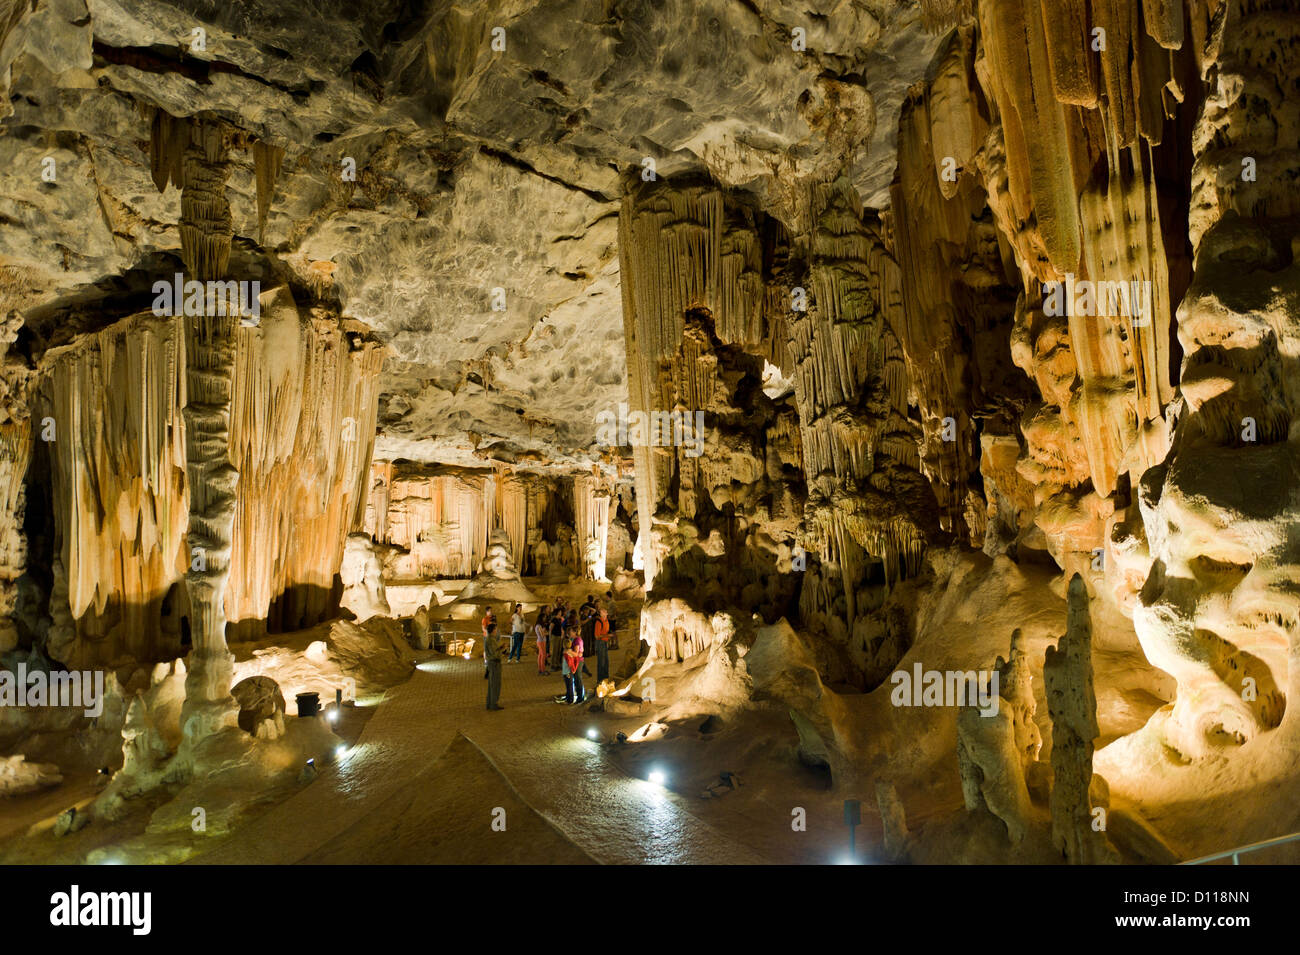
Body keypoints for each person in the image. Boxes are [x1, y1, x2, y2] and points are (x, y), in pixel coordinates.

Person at [484, 622, 506, 710]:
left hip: (492, 663)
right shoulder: (491, 640)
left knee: (491, 684)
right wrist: (502, 648)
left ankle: (489, 703)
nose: (497, 631)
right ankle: (493, 704)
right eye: (496, 629)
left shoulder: (490, 639)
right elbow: (495, 652)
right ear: (493, 630)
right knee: (495, 684)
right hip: (494, 663)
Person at [565, 628, 586, 704]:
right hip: (578, 661)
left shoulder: (577, 640)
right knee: (577, 679)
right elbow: (582, 650)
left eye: (570, 631)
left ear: (574, 632)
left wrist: (569, 652)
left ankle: (580, 698)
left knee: (578, 679)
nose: (569, 632)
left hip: (578, 662)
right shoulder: (577, 639)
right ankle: (579, 696)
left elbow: (577, 653)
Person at [594, 608, 611, 683]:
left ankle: (606, 678)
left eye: (605, 611)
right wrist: (607, 635)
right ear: (601, 614)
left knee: (606, 661)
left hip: (605, 642)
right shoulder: (599, 622)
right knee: (601, 662)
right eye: (603, 611)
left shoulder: (606, 621)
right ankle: (600, 680)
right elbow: (597, 636)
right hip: (600, 642)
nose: (605, 612)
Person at [534, 608, 550, 675]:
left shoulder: (538, 625)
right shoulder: (539, 626)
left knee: (540, 655)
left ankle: (540, 669)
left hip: (540, 641)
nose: (545, 619)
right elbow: (542, 635)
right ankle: (542, 670)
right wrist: (547, 633)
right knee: (543, 656)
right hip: (541, 641)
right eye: (544, 617)